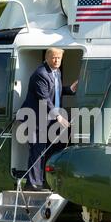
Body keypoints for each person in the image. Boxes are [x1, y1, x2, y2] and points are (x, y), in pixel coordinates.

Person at [20, 48, 78, 191]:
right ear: (47, 58)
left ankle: (45, 181)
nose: (57, 60)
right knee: (38, 150)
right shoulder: (41, 74)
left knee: (51, 149)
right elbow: (44, 98)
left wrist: (69, 89)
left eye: (59, 58)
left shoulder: (56, 72)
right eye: (54, 58)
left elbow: (55, 90)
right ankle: (32, 184)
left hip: (49, 118)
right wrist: (58, 116)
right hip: (36, 118)